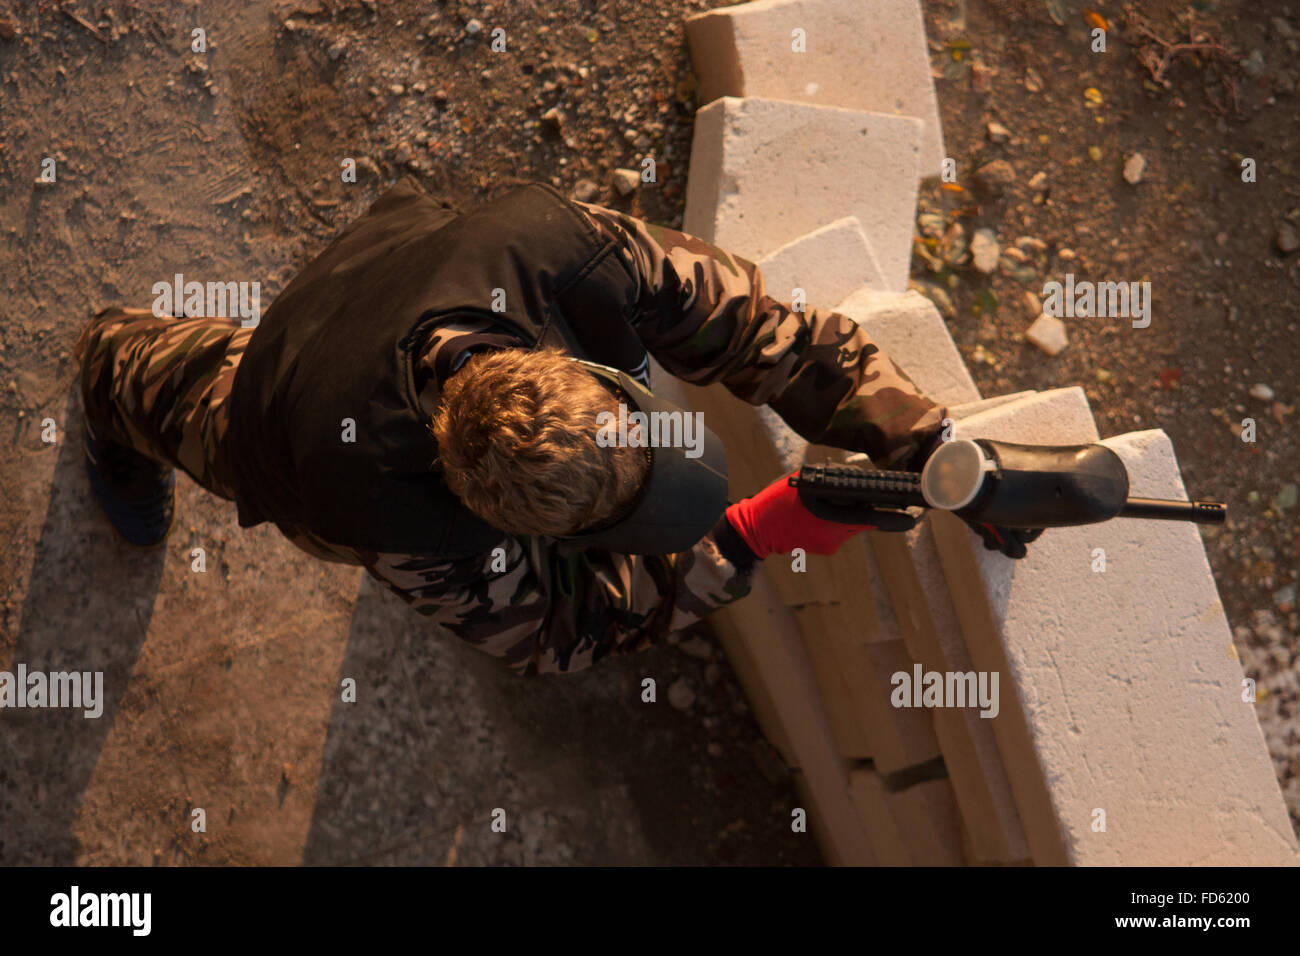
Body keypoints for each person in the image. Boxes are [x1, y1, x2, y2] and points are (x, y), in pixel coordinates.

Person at [75, 178, 1039, 676]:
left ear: (586, 374)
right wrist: (753, 535)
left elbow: (767, 333)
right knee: (182, 389)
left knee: (244, 362)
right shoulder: (390, 523)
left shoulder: (571, 256)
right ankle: (109, 377)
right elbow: (562, 634)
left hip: (390, 284)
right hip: (291, 408)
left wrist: (928, 444)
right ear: (506, 533)